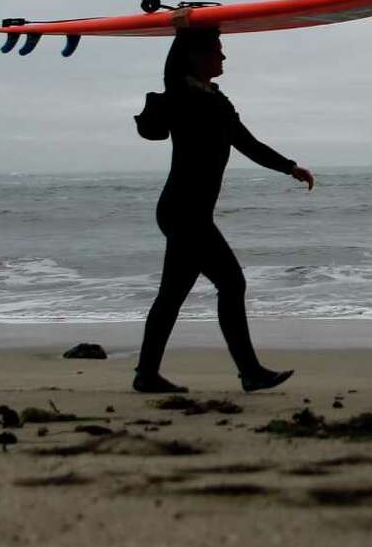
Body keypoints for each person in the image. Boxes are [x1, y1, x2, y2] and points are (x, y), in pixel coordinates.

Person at [132, 27, 314, 394]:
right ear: (196, 57)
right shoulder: (182, 93)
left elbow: (248, 143)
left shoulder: (217, 101)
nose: (223, 57)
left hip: (188, 212)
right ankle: (249, 372)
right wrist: (187, 25)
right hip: (184, 212)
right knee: (231, 282)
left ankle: (147, 375)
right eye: (217, 49)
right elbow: (172, 66)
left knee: (173, 294)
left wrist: (289, 167)